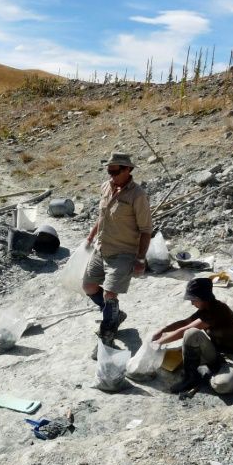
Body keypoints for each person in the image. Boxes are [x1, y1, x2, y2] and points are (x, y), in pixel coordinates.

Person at [83, 152, 152, 354]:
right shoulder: (106, 187)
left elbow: (146, 230)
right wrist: (90, 237)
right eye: (109, 171)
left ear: (128, 169)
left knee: (110, 294)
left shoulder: (137, 195)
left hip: (123, 252)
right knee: (89, 286)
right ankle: (115, 315)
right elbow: (103, 215)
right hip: (102, 248)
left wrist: (140, 259)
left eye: (115, 171)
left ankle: (106, 338)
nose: (111, 175)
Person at [152, 278, 233, 395]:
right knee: (191, 335)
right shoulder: (205, 309)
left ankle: (208, 373)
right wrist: (163, 330)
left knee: (221, 386)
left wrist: (157, 343)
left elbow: (183, 330)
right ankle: (190, 378)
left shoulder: (217, 311)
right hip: (217, 353)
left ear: (202, 298)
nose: (192, 303)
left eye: (193, 300)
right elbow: (185, 322)